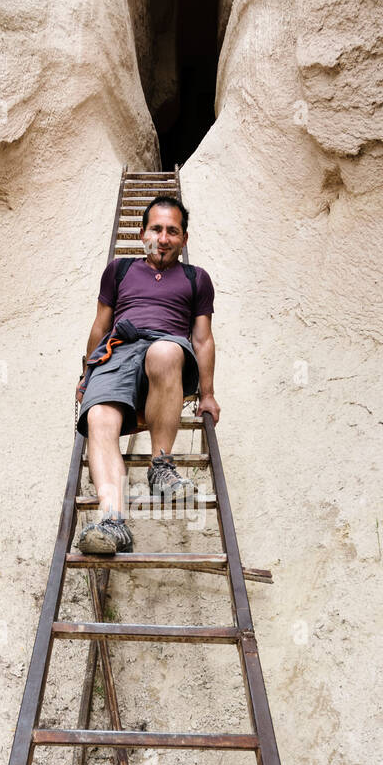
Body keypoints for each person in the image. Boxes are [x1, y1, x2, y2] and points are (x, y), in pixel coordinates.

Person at [74, 194, 220, 553]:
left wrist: (208, 393)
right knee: (99, 417)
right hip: (118, 351)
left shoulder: (196, 278)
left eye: (173, 231)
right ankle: (111, 521)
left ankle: (161, 466)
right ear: (143, 234)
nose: (164, 237)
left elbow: (201, 341)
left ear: (184, 239)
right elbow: (100, 325)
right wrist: (86, 373)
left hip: (166, 351)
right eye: (157, 228)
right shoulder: (119, 270)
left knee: (166, 351)